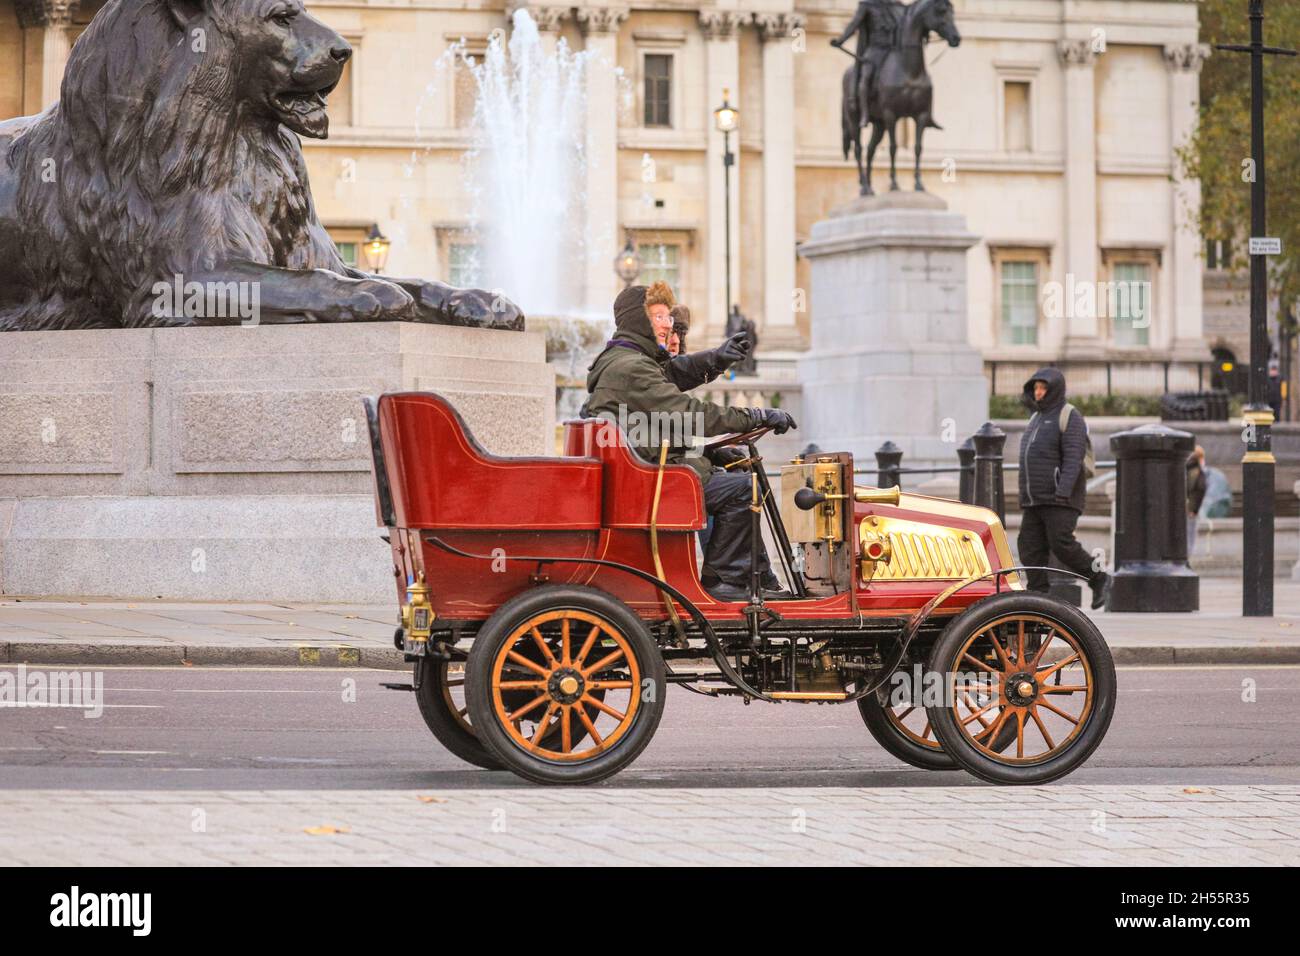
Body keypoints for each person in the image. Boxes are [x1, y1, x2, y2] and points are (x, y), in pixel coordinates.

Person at [582, 282, 795, 601]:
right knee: (743, 488)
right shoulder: (631, 367)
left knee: (734, 477)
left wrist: (718, 358)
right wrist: (755, 415)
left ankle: (758, 578)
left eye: (669, 317)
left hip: (647, 473)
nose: (668, 325)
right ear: (638, 320)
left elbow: (674, 374)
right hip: (652, 484)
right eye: (659, 317)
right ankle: (727, 580)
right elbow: (690, 413)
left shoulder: (623, 360)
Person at [1016, 368, 1111, 609]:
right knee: (1028, 545)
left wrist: (1064, 490)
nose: (1038, 393)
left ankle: (1099, 578)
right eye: (1035, 388)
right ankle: (1038, 593)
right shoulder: (1036, 418)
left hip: (1060, 498)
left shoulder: (1069, 416)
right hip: (1035, 499)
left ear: (1054, 389)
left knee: (1062, 543)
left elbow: (1074, 457)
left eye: (1043, 388)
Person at [831, 0, 905, 118]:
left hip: (891, 49)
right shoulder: (867, 4)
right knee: (866, 76)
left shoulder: (895, 5)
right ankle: (865, 111)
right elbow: (854, 24)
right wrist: (841, 40)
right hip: (874, 49)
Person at [1186, 445, 1207, 554]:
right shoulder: (1196, 471)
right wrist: (1193, 509)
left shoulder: (1186, 468)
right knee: (1190, 535)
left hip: (1186, 507)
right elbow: (1198, 489)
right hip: (1190, 510)